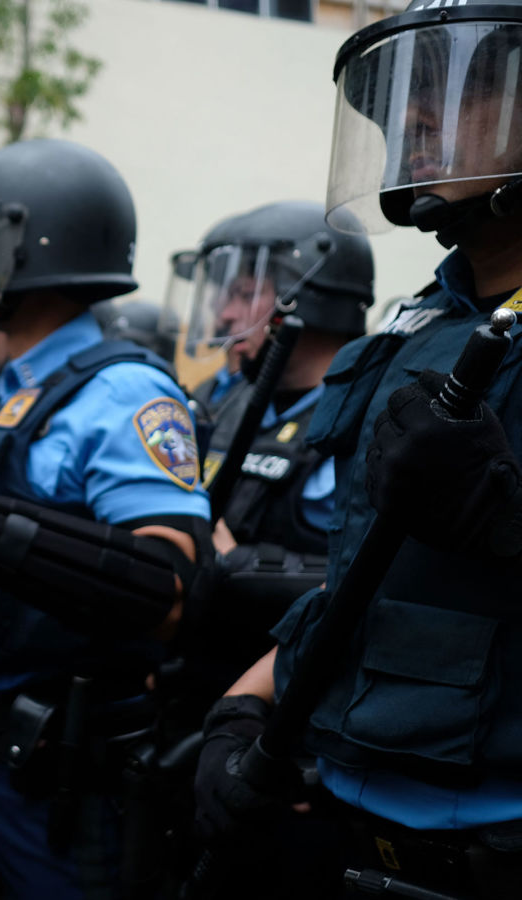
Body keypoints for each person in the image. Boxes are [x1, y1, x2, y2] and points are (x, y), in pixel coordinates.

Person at [193, 4, 522, 897]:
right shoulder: (419, 325)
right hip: (340, 826)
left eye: (462, 85)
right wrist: (245, 708)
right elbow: (358, 581)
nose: (414, 120)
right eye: (406, 97)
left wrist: (508, 519)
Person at [0, 137, 214, 898]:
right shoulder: (12, 390)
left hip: (63, 775)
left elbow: (169, 592)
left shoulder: (125, 395)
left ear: (40, 250)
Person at [181, 200, 376, 703]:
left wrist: (238, 565)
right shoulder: (225, 403)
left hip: (287, 712)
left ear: (310, 297)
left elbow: (375, 587)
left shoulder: (368, 420)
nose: (223, 312)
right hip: (192, 687)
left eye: (245, 294)